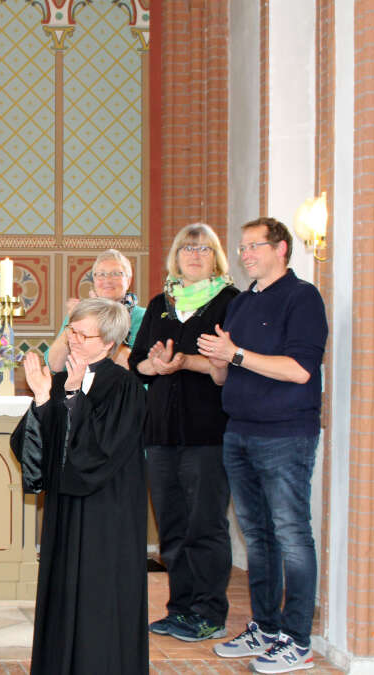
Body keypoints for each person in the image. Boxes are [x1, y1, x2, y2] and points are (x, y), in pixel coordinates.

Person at [197, 217, 327, 674]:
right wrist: (217, 361)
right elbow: (226, 373)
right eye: (242, 247)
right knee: (257, 537)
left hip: (286, 434)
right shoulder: (242, 303)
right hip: (239, 430)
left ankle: (298, 640)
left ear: (282, 249)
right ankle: (266, 628)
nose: (246, 254)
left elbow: (299, 371)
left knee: (292, 536)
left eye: (255, 246)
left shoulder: (302, 297)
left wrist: (234, 353)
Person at [11, 298, 148, 674]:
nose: (72, 340)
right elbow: (31, 449)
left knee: (98, 601)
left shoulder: (125, 388)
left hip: (107, 516)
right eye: (71, 330)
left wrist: (72, 397)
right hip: (66, 513)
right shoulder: (57, 381)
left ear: (108, 343)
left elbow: (95, 453)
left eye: (82, 334)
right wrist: (42, 398)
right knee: (62, 596)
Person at [129, 223, 239, 643]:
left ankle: (209, 612)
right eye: (187, 248)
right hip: (160, 431)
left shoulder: (230, 303)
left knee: (205, 524)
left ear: (216, 258)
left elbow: (230, 371)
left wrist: (186, 363)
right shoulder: (160, 304)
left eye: (204, 249)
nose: (194, 255)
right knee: (172, 524)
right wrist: (154, 367)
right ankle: (180, 609)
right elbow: (138, 361)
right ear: (175, 257)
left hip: (207, 430)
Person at [47, 248, 145, 371]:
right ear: (94, 281)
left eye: (116, 274)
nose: (108, 280)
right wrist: (72, 324)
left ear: (129, 280)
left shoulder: (144, 317)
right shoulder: (80, 314)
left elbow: (137, 368)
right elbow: (54, 366)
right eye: (101, 274)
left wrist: (100, 322)